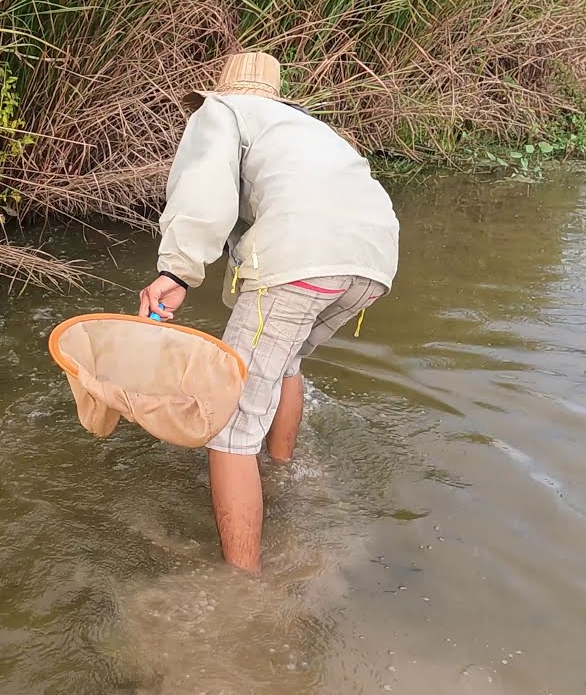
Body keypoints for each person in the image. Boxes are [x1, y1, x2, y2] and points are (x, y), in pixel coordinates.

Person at [137, 52, 399, 573]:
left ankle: (242, 583)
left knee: (229, 424)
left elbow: (202, 192)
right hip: (374, 263)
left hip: (302, 257)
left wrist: (177, 271)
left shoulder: (222, 111)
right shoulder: (310, 129)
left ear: (222, 90)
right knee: (285, 365)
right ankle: (281, 470)